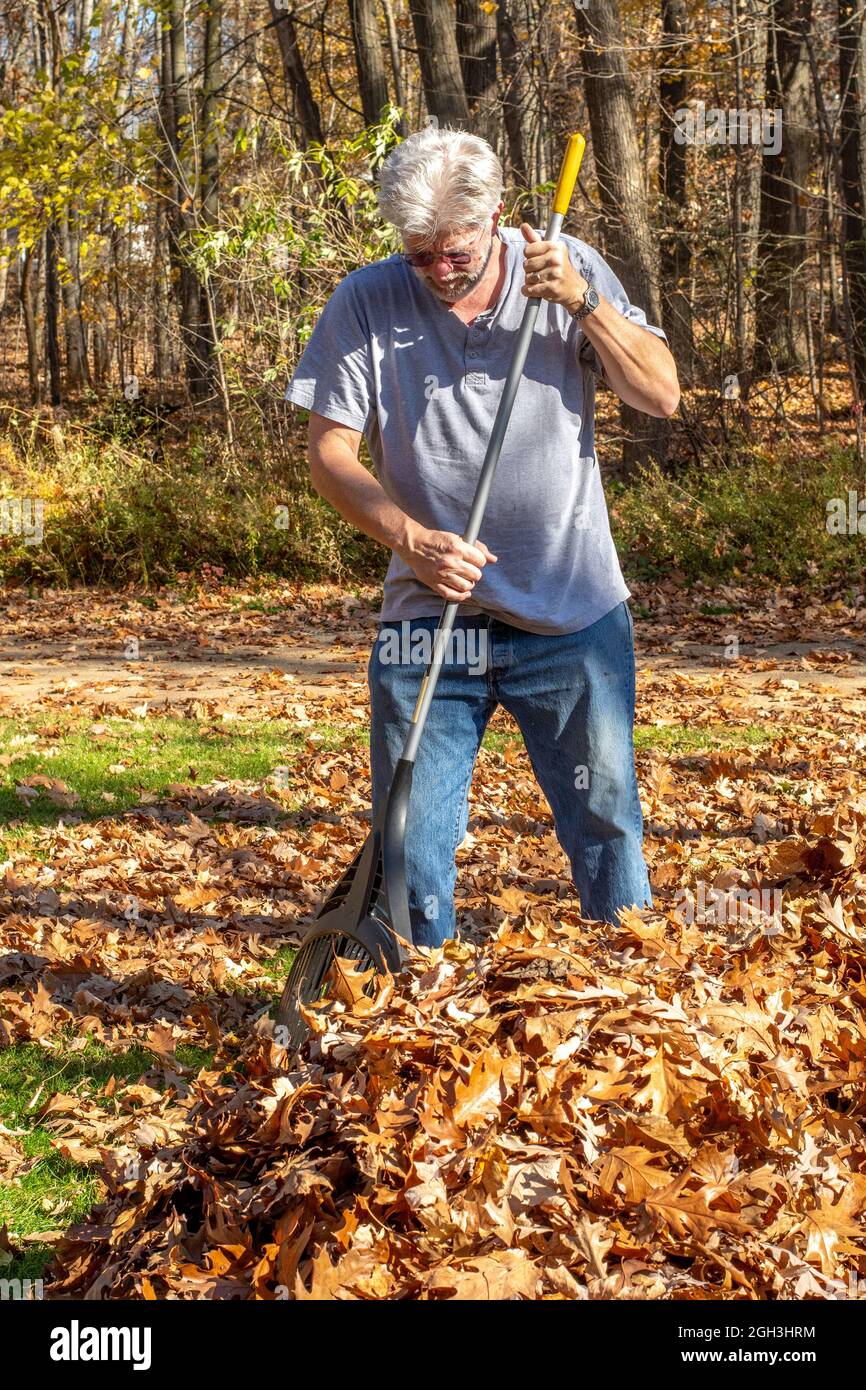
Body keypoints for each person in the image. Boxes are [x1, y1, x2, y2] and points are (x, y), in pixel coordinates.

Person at [284, 125, 680, 947]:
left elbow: (661, 395)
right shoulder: (368, 298)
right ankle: (417, 1007)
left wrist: (584, 303)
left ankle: (640, 996)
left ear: (496, 215)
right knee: (412, 838)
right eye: (418, 253)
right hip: (430, 618)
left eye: (453, 251)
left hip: (571, 614)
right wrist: (411, 538)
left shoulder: (567, 270)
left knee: (606, 821)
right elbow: (328, 454)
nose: (434, 270)